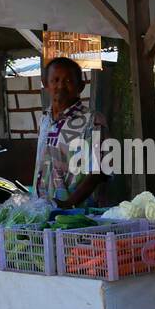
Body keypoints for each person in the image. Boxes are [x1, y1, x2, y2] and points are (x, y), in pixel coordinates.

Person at [34, 56, 107, 208]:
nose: (60, 86)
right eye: (55, 80)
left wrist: (68, 204)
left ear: (80, 86)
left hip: (76, 215)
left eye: (68, 81)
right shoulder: (44, 120)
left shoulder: (92, 121)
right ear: (45, 84)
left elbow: (98, 172)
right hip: (42, 210)